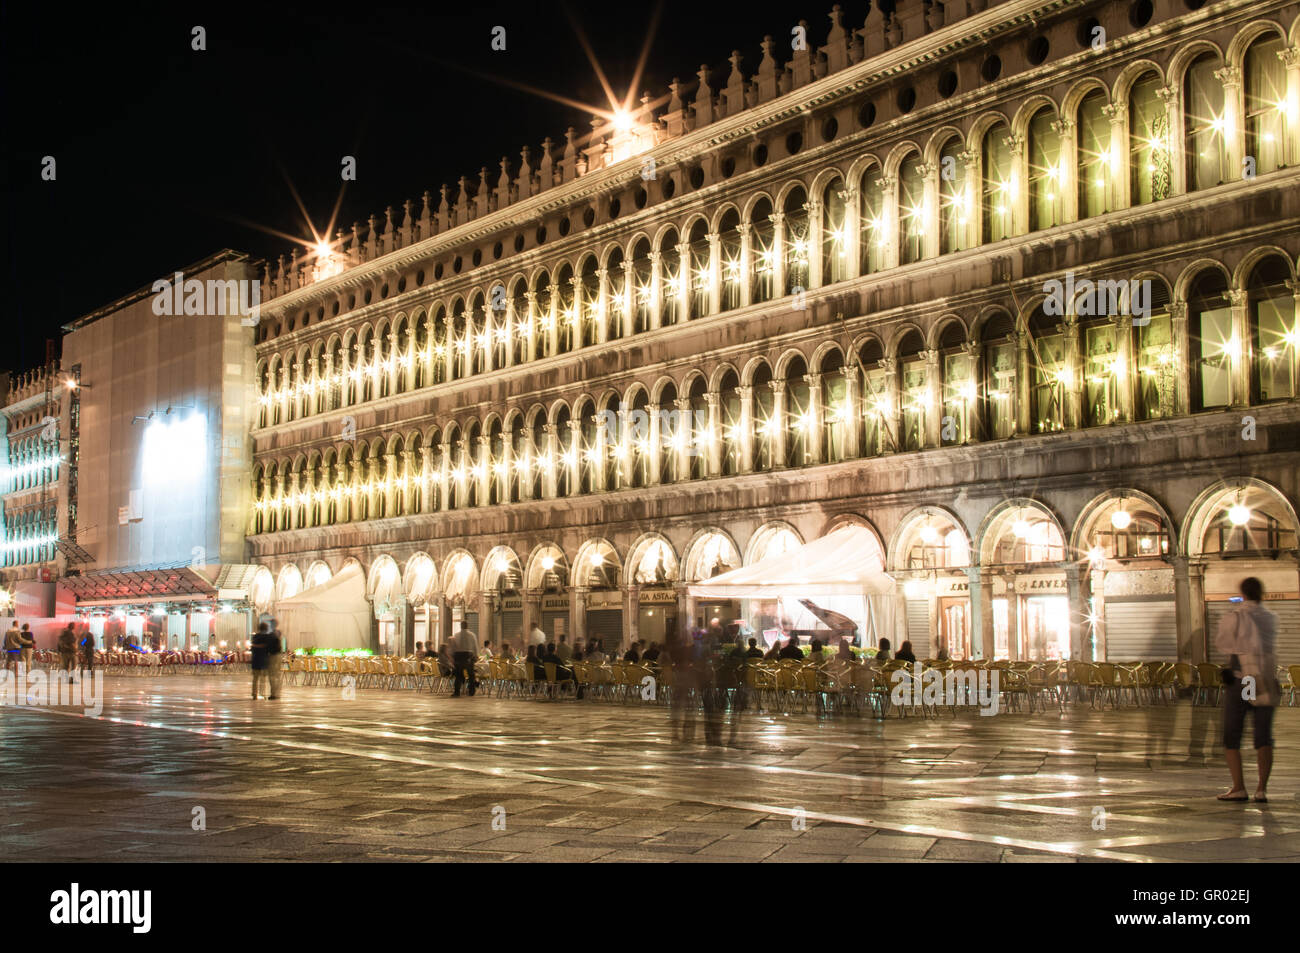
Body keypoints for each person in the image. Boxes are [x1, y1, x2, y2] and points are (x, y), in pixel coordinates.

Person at [1215, 577, 1279, 803]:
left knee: (1232, 733)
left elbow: (1224, 644)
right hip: (1267, 680)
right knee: (1263, 735)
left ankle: (1239, 787)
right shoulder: (1270, 617)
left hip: (1246, 682)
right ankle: (1261, 789)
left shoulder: (1237, 616)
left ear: (1242, 592)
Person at [451, 621, 479, 697]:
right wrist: (476, 656)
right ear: (467, 626)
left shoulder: (456, 635)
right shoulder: (472, 635)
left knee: (458, 675)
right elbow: (475, 646)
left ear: (461, 626)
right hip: (468, 655)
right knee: (471, 674)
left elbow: (453, 646)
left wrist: (453, 655)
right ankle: (471, 691)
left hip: (458, 656)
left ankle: (457, 692)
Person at [250, 623, 277, 699]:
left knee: (255, 679)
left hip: (256, 660)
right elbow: (269, 648)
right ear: (266, 628)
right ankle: (263, 693)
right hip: (264, 660)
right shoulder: (268, 637)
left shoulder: (255, 636)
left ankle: (254, 694)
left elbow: (252, 648)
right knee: (264, 678)